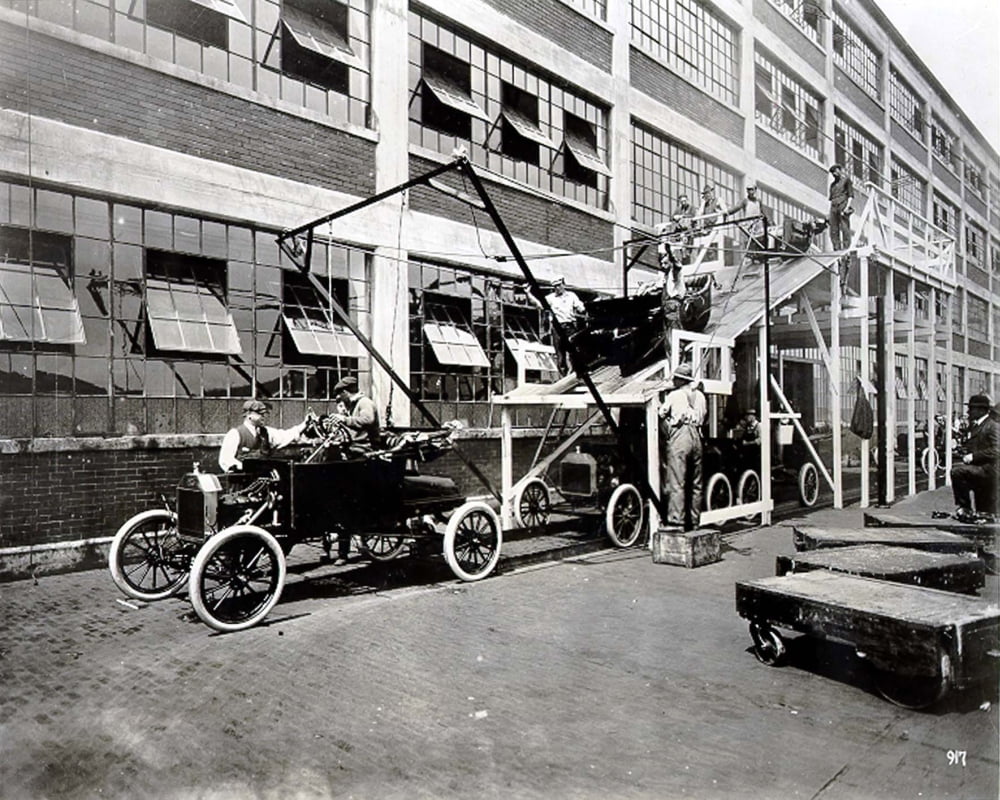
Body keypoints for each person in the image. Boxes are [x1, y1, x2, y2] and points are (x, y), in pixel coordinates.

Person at [658, 363, 707, 531]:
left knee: (677, 481)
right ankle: (694, 522)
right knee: (696, 483)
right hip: (697, 437)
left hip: (680, 437)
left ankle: (676, 522)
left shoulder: (674, 395)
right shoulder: (700, 396)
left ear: (680, 380)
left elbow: (661, 413)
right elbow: (704, 417)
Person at [218, 399, 308, 473]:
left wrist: (304, 424)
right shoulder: (235, 434)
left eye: (264, 414)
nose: (263, 416)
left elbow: (285, 436)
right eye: (259, 413)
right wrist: (244, 467)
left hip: (264, 481)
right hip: (242, 482)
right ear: (249, 415)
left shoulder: (266, 432)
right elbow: (225, 460)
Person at [950, 394, 1000, 521]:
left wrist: (973, 456)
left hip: (990, 469)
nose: (968, 412)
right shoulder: (976, 425)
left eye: (971, 408)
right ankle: (970, 510)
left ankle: (965, 508)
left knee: (957, 472)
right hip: (981, 468)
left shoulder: (992, 426)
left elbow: (997, 449)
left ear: (981, 410)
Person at [530, 276, 586, 375]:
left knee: (574, 351)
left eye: (559, 285)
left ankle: (576, 374)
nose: (557, 288)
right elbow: (539, 305)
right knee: (560, 354)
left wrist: (582, 308)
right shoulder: (550, 298)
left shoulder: (572, 296)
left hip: (570, 326)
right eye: (555, 286)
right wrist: (528, 294)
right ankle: (564, 376)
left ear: (563, 284)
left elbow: (580, 306)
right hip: (557, 327)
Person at [329, 376, 381, 453]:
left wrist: (344, 419)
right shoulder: (353, 405)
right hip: (355, 446)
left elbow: (368, 420)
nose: (341, 398)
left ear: (345, 392)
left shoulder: (364, 402)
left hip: (366, 448)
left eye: (340, 395)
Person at [725, 185, 769, 263]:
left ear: (755, 190)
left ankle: (761, 256)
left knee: (762, 240)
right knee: (751, 242)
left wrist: (769, 222)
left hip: (758, 225)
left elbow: (764, 212)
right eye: (748, 190)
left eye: (752, 190)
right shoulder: (745, 201)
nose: (750, 192)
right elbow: (737, 207)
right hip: (749, 225)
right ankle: (752, 256)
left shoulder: (759, 201)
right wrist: (727, 213)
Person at [828, 164, 854, 252]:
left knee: (844, 228)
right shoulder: (832, 185)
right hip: (834, 207)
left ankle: (846, 248)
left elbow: (850, 195)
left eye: (835, 171)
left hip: (843, 205)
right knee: (833, 229)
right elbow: (831, 199)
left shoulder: (846, 180)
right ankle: (836, 248)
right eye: (832, 173)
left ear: (839, 170)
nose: (834, 174)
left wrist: (847, 207)